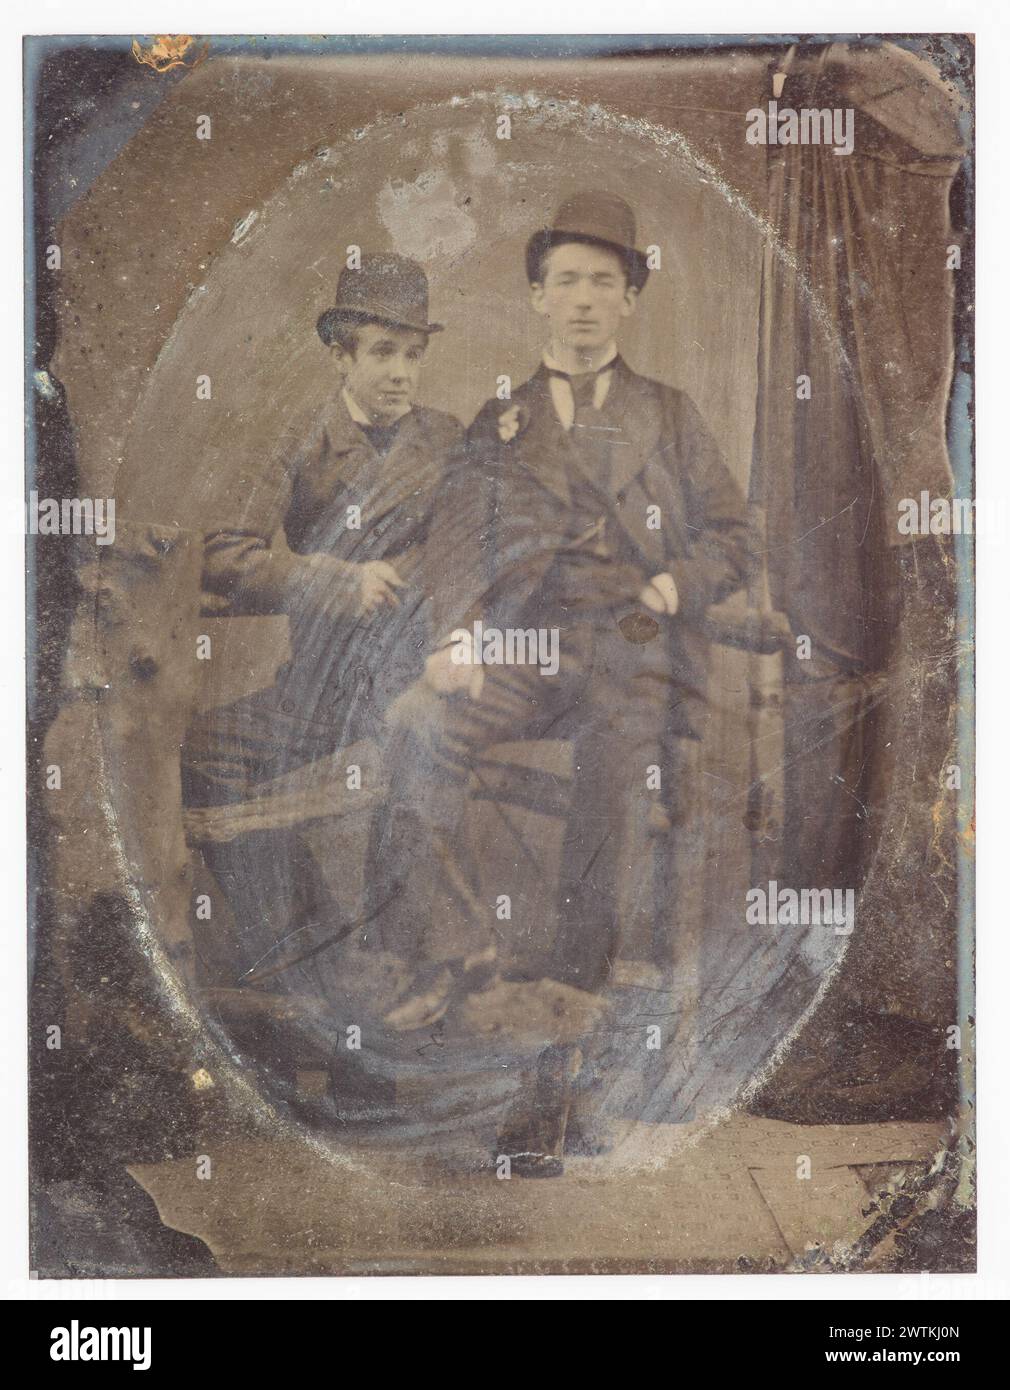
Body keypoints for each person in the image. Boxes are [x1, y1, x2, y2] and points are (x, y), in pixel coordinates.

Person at [375, 193, 751, 1172]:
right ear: (536, 299)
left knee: (609, 811)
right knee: (417, 719)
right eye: (564, 282)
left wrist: (673, 582)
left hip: (631, 650)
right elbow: (456, 541)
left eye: (602, 282)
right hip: (523, 649)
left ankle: (561, 1064)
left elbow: (736, 535)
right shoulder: (498, 423)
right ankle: (458, 952)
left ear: (627, 298)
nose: (583, 301)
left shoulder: (666, 414)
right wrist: (454, 636)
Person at [181, 252, 463, 992]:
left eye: (412, 354)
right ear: (340, 355)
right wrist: (336, 582)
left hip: (412, 688)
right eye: (381, 353)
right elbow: (224, 554)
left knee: (418, 781)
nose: (400, 372)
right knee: (205, 756)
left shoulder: (446, 441)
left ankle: (386, 989)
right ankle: (305, 944)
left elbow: (482, 552)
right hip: (320, 689)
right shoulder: (299, 438)